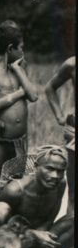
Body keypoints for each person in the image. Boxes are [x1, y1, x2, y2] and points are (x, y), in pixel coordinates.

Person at [0, 22, 38, 213]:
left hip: (20, 139)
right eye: (20, 48)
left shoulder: (20, 67)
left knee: (17, 187)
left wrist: (18, 69)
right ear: (10, 48)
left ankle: (10, 229)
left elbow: (33, 95)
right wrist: (18, 93)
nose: (23, 52)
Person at [0, 145, 73, 248]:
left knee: (72, 219)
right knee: (0, 211)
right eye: (49, 168)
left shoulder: (60, 184)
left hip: (37, 238)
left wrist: (37, 247)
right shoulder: (15, 190)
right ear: (35, 166)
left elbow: (49, 219)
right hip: (13, 241)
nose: (55, 175)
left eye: (60, 171)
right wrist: (34, 235)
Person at [44, 56, 75, 214]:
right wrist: (59, 116)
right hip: (74, 132)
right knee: (74, 193)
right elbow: (50, 88)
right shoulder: (72, 63)